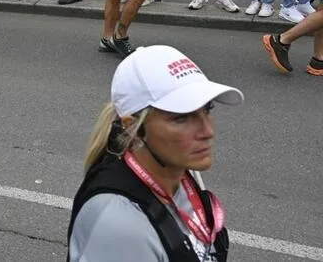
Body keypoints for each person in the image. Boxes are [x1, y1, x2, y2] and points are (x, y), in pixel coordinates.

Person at [68, 45, 242, 261]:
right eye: (181, 117)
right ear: (134, 128)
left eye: (207, 110)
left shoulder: (178, 172)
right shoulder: (121, 227)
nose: (208, 131)